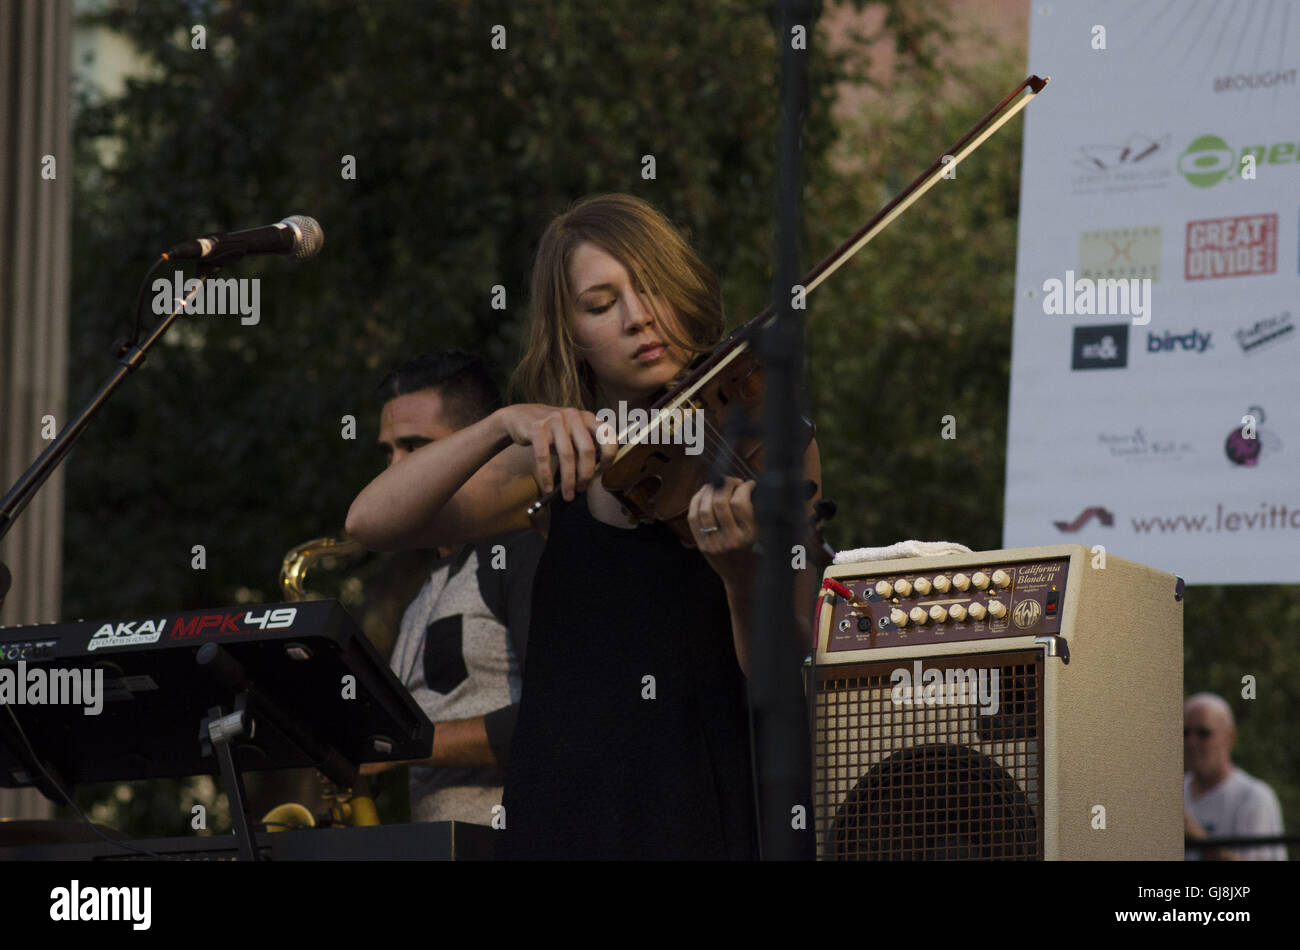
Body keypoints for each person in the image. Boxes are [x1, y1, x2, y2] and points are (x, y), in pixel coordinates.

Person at [346, 193, 821, 858]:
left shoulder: (761, 435)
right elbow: (370, 521)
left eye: (651, 288)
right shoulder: (556, 462)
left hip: (700, 804)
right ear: (570, 332)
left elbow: (785, 673)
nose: (638, 317)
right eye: (602, 304)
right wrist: (498, 424)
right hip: (563, 809)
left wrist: (742, 581)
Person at [359, 352, 544, 826]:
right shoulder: (423, 589)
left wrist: (403, 745)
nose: (394, 469)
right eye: (387, 452)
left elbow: (559, 715)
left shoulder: (522, 548)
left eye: (414, 447)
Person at [1183, 692, 1287, 860]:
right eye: (1185, 733)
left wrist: (1198, 839)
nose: (1191, 742)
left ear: (1230, 737)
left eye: (1204, 733)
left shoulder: (1254, 798)